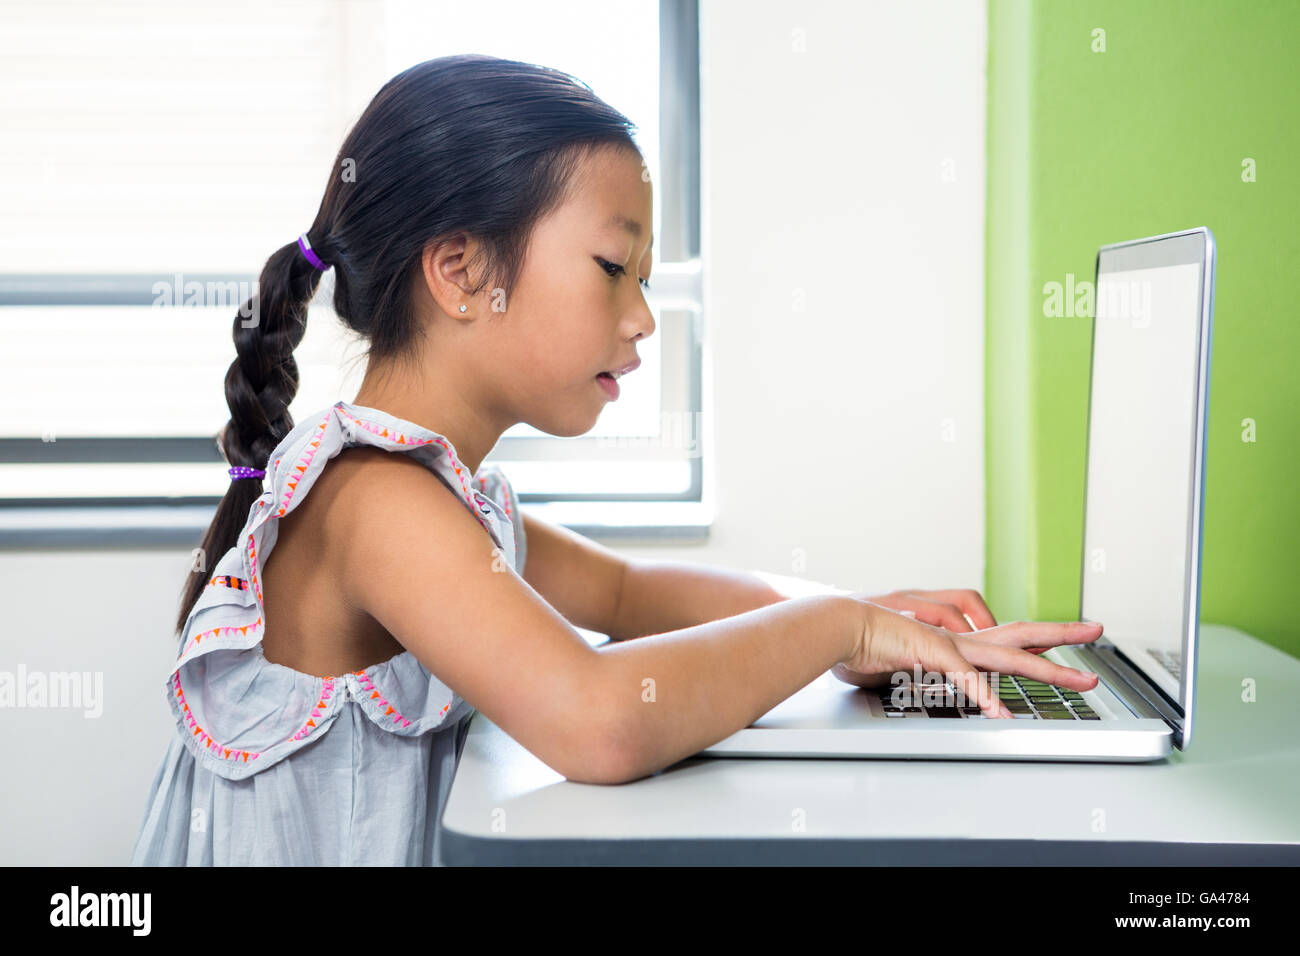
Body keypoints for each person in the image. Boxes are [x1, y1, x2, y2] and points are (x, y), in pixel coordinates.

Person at [130, 53, 1103, 867]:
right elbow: (599, 718)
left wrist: (879, 620)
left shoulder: (453, 500)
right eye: (611, 267)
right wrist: (834, 629)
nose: (640, 317)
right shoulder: (374, 502)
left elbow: (634, 592)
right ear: (462, 272)